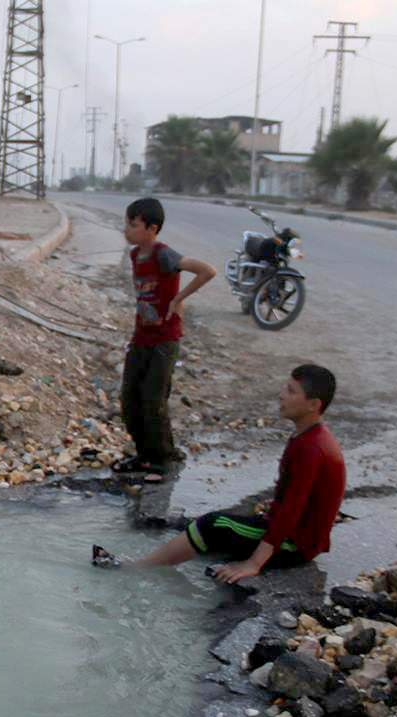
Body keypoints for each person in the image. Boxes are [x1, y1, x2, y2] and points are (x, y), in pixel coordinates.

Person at [94, 364, 346, 584]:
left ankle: (134, 568)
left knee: (212, 524)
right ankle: (154, 562)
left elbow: (291, 511)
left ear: (313, 405)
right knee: (211, 531)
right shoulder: (309, 436)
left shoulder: (312, 448)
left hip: (296, 544)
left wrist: (254, 564)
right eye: (285, 387)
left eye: (291, 391)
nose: (281, 395)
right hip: (295, 534)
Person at [114, 197, 217, 478]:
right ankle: (143, 455)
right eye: (127, 224)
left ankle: (161, 460)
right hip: (141, 337)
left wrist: (178, 298)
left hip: (164, 340)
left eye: (133, 225)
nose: (127, 230)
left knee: (153, 399)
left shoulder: (164, 255)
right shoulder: (135, 256)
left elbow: (207, 271)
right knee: (130, 399)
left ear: (152, 228)